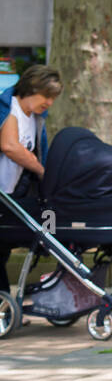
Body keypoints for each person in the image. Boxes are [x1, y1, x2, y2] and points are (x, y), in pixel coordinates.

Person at [0, 65, 61, 295]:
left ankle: (4, 306)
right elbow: (10, 146)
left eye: (52, 98)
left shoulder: (35, 119)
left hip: (12, 194)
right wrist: (41, 169)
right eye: (47, 96)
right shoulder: (9, 108)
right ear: (32, 88)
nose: (50, 103)